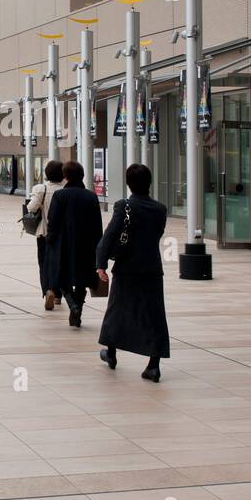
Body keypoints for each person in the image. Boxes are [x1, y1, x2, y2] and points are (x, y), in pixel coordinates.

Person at [97, 164, 170, 383]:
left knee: (117, 310)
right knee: (155, 315)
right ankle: (154, 366)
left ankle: (111, 353)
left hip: (127, 267)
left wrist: (100, 264)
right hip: (151, 268)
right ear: (150, 182)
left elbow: (110, 236)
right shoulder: (161, 209)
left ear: (128, 183)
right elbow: (157, 234)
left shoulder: (124, 206)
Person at [44, 161, 104, 328]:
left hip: (64, 244)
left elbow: (53, 221)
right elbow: (97, 224)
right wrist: (99, 245)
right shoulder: (91, 196)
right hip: (87, 244)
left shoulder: (60, 196)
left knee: (61, 277)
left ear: (66, 176)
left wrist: (50, 238)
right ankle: (76, 313)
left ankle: (73, 305)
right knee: (82, 279)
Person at [26, 160, 66, 311]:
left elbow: (31, 207)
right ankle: (57, 295)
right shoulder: (65, 189)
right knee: (60, 263)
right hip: (62, 235)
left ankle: (47, 290)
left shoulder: (41, 188)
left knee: (44, 262)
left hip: (44, 232)